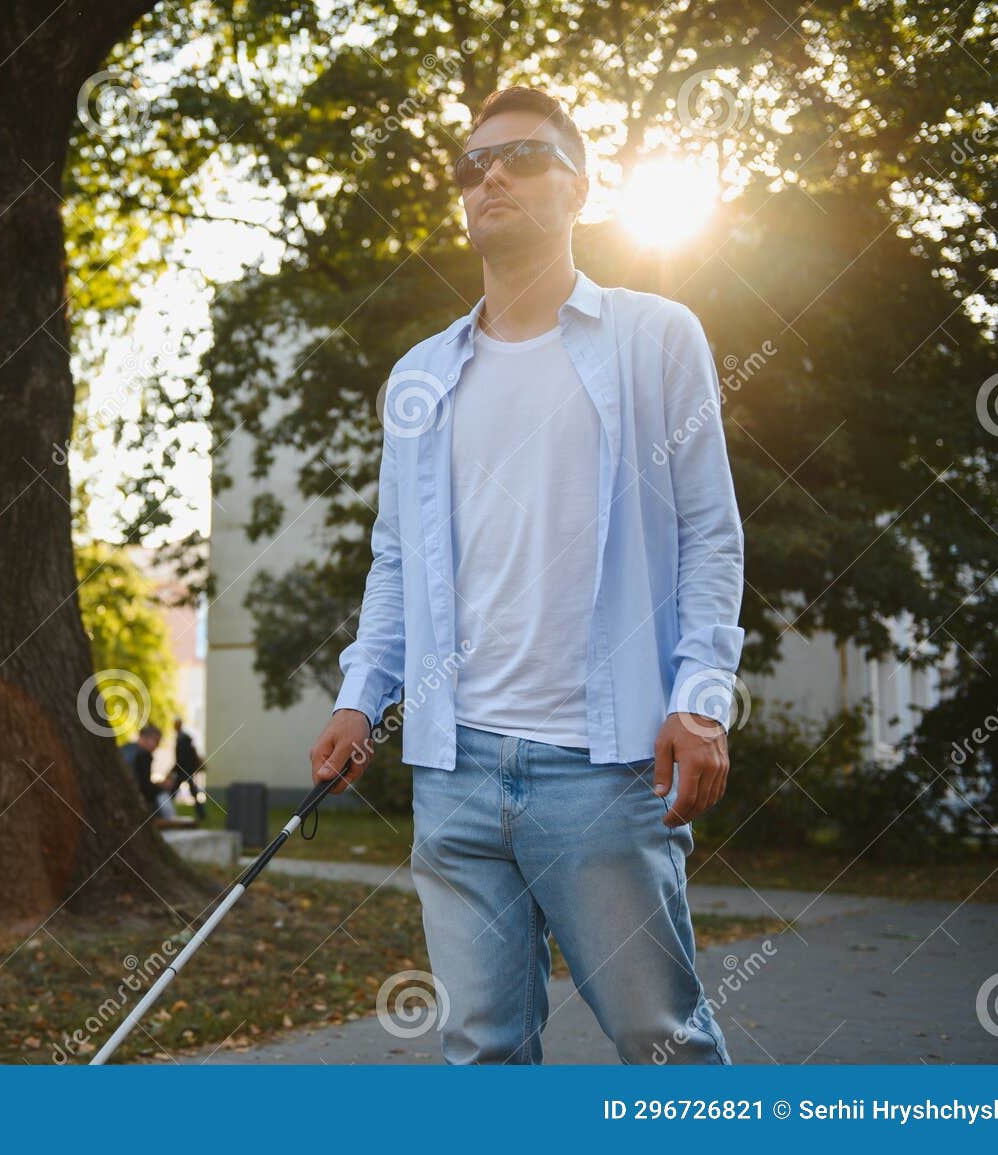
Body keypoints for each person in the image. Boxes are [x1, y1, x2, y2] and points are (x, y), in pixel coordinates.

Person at [309, 85, 743, 1066]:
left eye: (523, 156)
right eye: (473, 164)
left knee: (662, 1042)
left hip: (605, 772)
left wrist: (701, 698)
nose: (491, 175)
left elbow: (711, 534)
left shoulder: (655, 337)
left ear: (579, 188)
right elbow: (394, 558)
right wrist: (358, 696)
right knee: (482, 1051)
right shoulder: (420, 375)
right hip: (454, 770)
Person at [170, 717, 206, 820]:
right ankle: (201, 813)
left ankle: (164, 809)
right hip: (186, 769)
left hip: (184, 770)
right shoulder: (183, 737)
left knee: (173, 791)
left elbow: (181, 757)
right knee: (191, 791)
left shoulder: (181, 738)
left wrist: (175, 768)